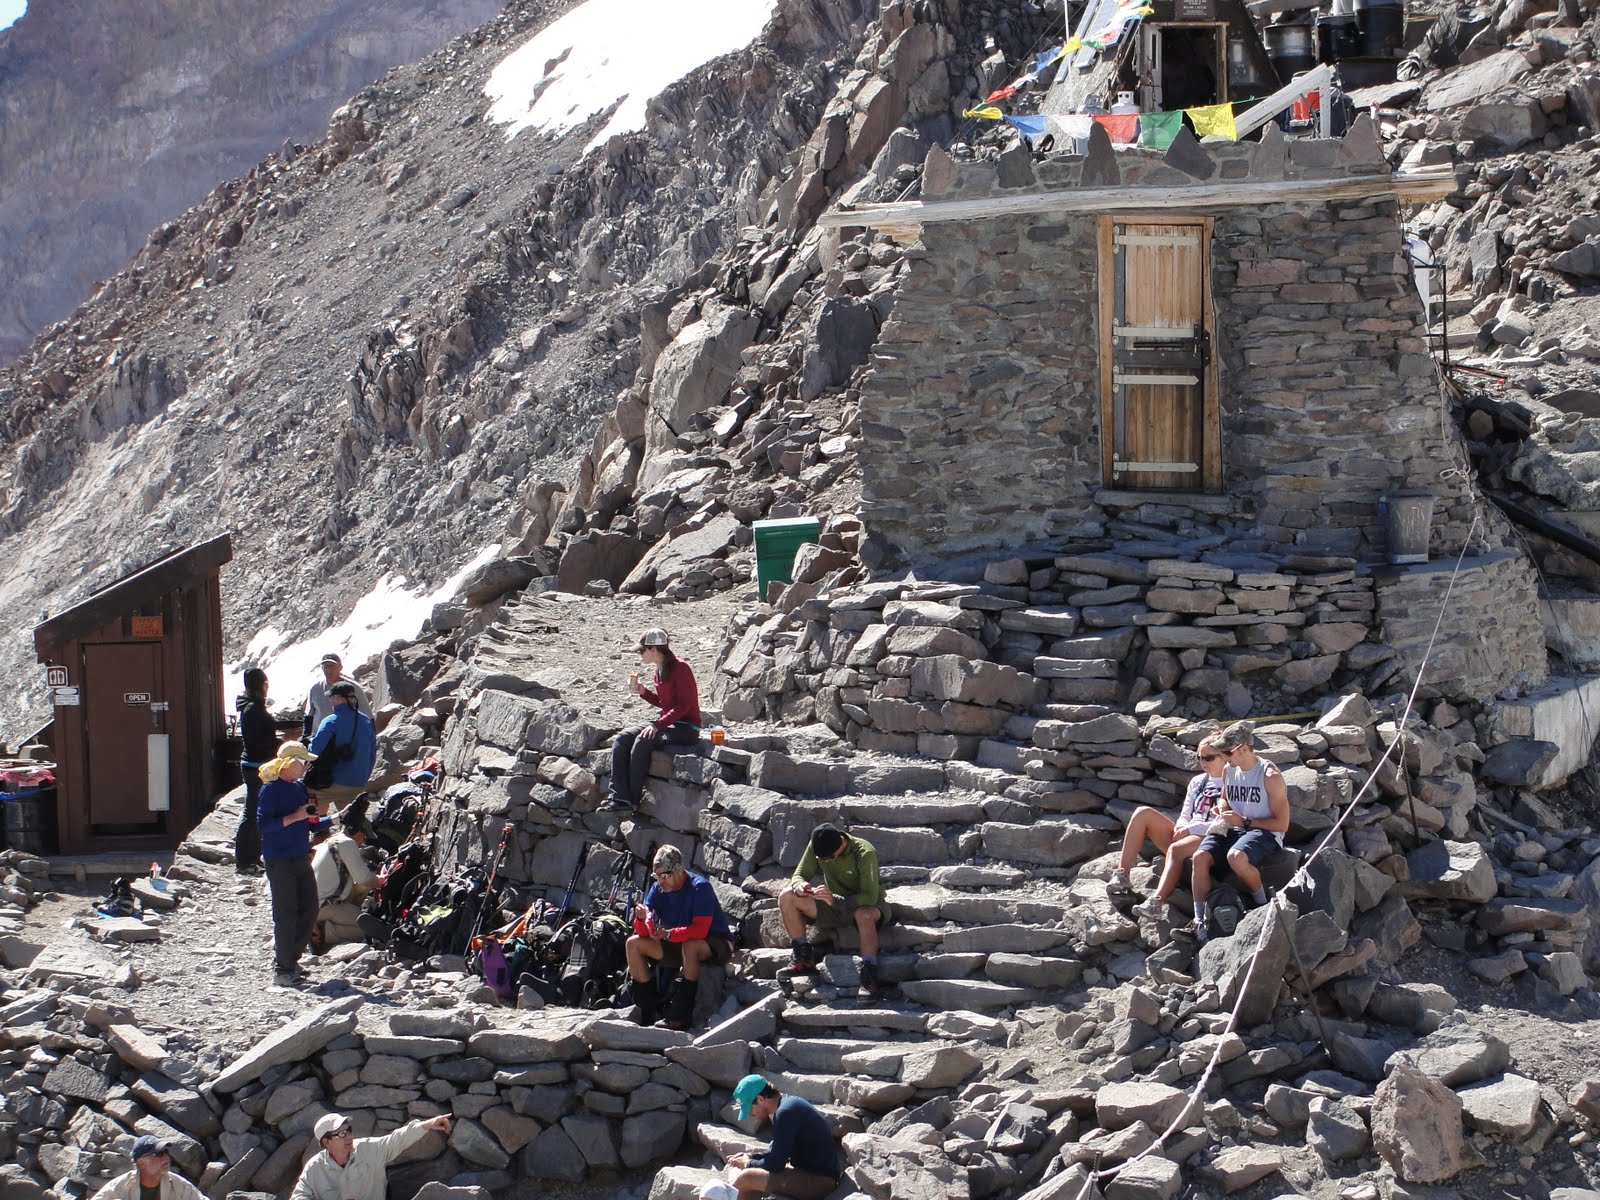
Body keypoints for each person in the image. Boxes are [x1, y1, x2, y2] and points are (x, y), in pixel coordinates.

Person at [1106, 733, 1227, 920]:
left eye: (1209, 757)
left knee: (1176, 848)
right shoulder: (1198, 781)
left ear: (1224, 756)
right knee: (1142, 813)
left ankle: (1156, 902)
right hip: (1187, 831)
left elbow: (1224, 822)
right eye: (1200, 757)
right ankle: (1122, 874)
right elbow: (1186, 812)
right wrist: (1181, 827)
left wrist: (1190, 830)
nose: (1204, 762)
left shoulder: (1232, 782)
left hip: (1210, 837)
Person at [1190, 721, 1291, 943]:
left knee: (1236, 857)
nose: (1224, 757)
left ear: (1245, 748)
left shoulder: (1269, 775)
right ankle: (1199, 919)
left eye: (1227, 752)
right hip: (1233, 826)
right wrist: (1223, 808)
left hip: (1262, 830)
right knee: (1199, 857)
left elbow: (1282, 825)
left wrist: (1244, 821)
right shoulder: (1229, 769)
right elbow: (1225, 797)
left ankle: (1262, 904)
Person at [626, 844, 735, 1030]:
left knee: (690, 945)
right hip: (677, 939)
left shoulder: (700, 887)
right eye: (657, 876)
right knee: (633, 944)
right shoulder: (657, 889)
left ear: (678, 870)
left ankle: (680, 1014)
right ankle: (647, 1009)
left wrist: (668, 934)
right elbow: (644, 932)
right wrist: (640, 919)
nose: (661, 881)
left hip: (715, 942)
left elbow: (700, 930)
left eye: (665, 875)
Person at [779, 823, 887, 997]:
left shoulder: (864, 852)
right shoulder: (817, 845)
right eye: (823, 859)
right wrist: (800, 886)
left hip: (865, 906)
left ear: (841, 844)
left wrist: (835, 900)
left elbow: (870, 897)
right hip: (833, 906)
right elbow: (799, 875)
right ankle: (803, 957)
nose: (827, 861)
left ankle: (870, 972)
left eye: (829, 858)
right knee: (787, 895)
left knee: (863, 913)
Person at [600, 628, 701, 812]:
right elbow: (665, 704)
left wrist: (657, 725)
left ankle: (632, 801)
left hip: (687, 730)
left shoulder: (681, 668)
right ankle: (619, 798)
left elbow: (684, 705)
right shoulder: (659, 670)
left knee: (643, 741)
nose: (640, 654)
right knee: (622, 739)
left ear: (654, 649)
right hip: (669, 724)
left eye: (642, 650)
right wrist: (644, 693)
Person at [258, 742, 325, 986]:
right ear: (290, 763)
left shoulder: (298, 788)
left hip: (299, 855)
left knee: (309, 909)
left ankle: (291, 961)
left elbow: (309, 822)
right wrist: (297, 816)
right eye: (303, 762)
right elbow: (264, 826)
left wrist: (335, 819)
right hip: (279, 858)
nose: (307, 766)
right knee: (286, 913)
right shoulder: (271, 790)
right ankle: (283, 968)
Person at [724, 1075, 843, 1200]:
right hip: (813, 1174)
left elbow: (776, 1164)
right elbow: (776, 1152)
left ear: (760, 1099)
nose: (750, 1114)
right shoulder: (786, 1106)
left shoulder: (786, 1112)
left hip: (820, 1182)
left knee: (747, 1177)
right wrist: (751, 1157)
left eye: (750, 1109)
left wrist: (748, 1164)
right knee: (743, 1174)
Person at [291, 1112, 452, 1200]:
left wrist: (427, 1125)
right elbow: (299, 1196)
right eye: (341, 1133)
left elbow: (397, 1139)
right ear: (327, 1142)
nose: (349, 1137)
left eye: (349, 1131)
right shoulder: (314, 1168)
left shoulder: (368, 1148)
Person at [233, 667, 281, 873]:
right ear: (261, 685)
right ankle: (244, 861)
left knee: (255, 812)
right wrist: (280, 744)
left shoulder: (251, 706)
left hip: (255, 765)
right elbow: (258, 742)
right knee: (251, 813)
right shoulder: (253, 709)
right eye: (266, 683)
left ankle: (252, 857)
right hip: (256, 767)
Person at [312, 801, 377, 949]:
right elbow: (364, 878)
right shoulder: (347, 843)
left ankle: (320, 924)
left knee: (360, 901)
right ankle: (321, 932)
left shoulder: (332, 841)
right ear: (357, 831)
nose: (364, 841)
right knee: (368, 927)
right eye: (364, 836)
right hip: (324, 906)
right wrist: (380, 881)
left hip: (312, 904)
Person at [307, 681, 377, 809]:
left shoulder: (331, 721)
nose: (330, 700)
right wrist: (364, 777)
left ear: (338, 698)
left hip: (335, 780)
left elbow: (314, 751)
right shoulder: (366, 721)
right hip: (358, 781)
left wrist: (309, 742)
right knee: (350, 814)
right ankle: (356, 826)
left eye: (331, 697)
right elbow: (373, 753)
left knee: (308, 794)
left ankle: (320, 826)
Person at [91, 1136, 206, 1200]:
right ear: (141, 1163)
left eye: (166, 1152)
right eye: (159, 1154)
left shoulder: (178, 1184)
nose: (166, 1157)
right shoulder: (120, 1186)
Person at [302, 652, 372, 738]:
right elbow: (309, 716)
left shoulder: (354, 688)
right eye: (325, 666)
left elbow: (368, 716)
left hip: (347, 739)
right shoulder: (315, 689)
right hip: (322, 739)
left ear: (340, 668)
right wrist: (305, 737)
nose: (328, 670)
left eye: (331, 666)